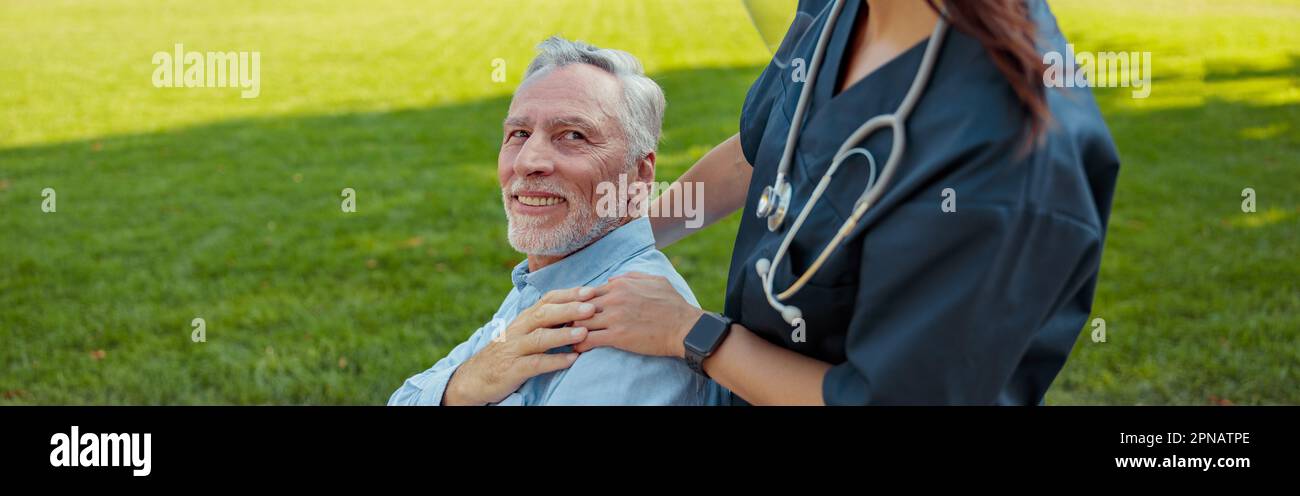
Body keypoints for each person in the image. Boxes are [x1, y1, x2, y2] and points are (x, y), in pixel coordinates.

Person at [569, 0, 1121, 405]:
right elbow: (761, 149)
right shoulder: (839, 12)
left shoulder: (1008, 155)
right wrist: (625, 237)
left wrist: (689, 333)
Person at [388, 36, 728, 406]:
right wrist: (464, 384)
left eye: (573, 135)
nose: (527, 162)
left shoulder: (628, 325)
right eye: (519, 134)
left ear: (640, 173)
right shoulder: (556, 275)